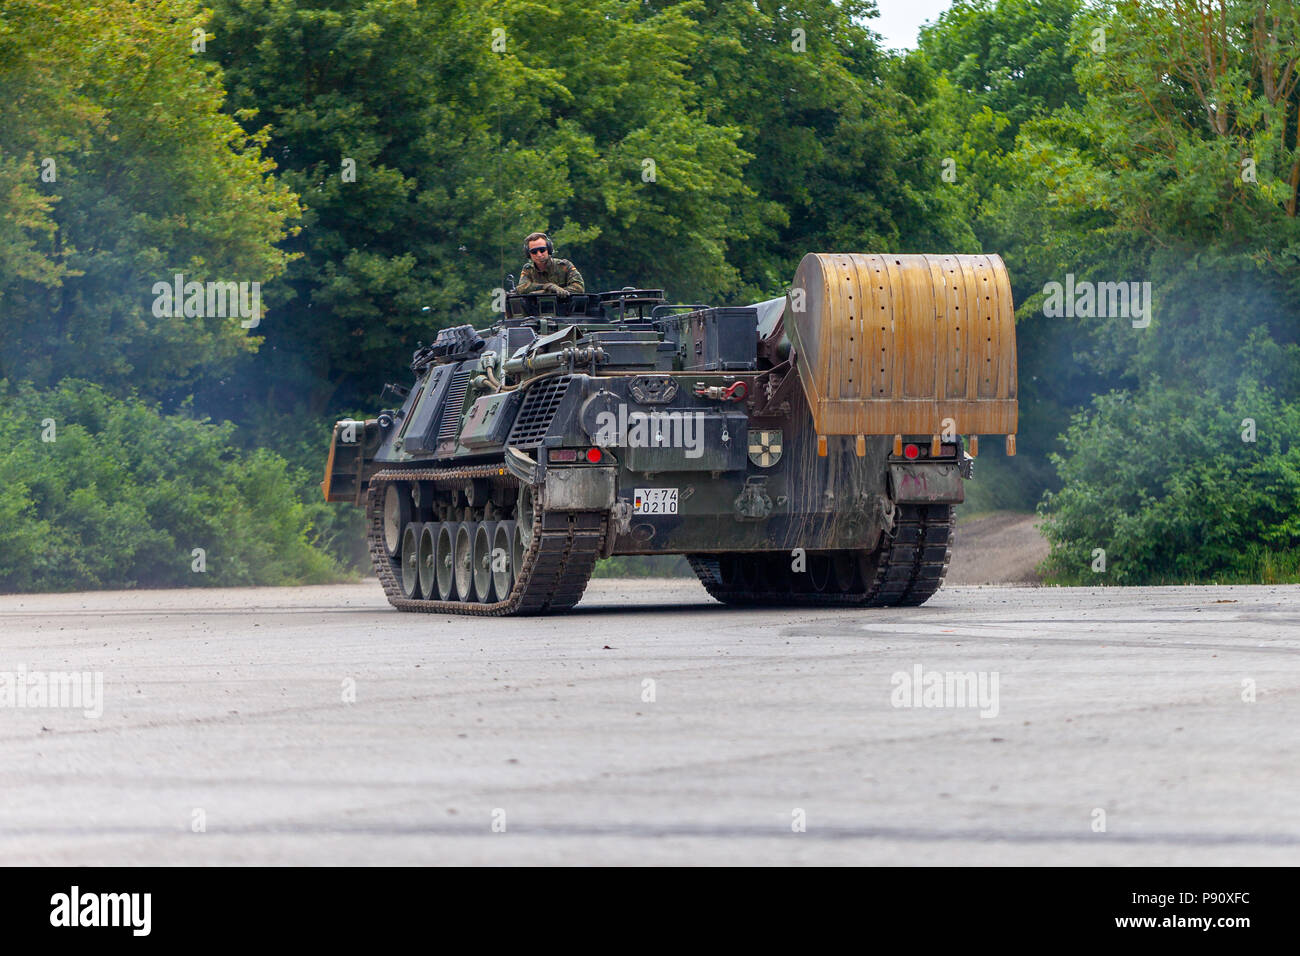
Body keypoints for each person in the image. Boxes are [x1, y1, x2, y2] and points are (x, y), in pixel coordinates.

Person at [515, 232, 584, 296]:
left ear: (549, 249)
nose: (539, 254)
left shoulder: (564, 265)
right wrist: (547, 286)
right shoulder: (528, 269)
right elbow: (521, 288)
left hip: (564, 306)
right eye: (534, 252)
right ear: (528, 254)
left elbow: (579, 287)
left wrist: (548, 292)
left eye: (542, 250)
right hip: (536, 308)